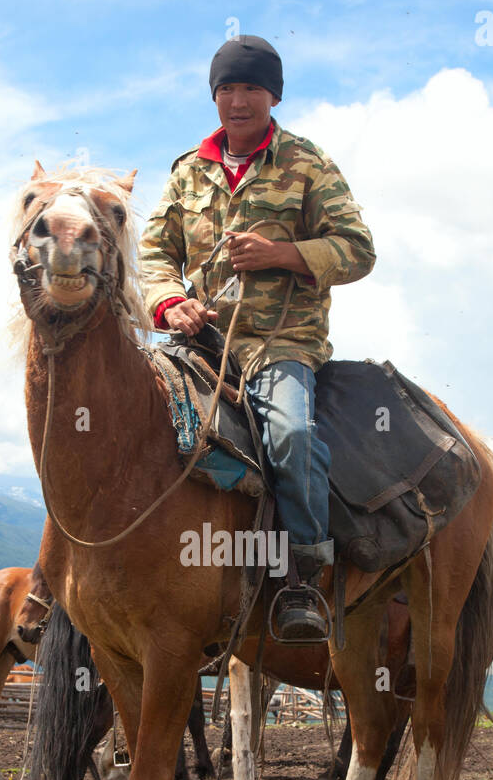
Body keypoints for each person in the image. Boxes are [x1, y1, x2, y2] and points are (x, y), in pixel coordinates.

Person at [140, 35, 376, 640]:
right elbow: (153, 254)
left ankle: (304, 581)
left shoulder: (308, 163)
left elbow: (357, 250)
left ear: (272, 95)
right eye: (226, 89)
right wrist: (170, 304)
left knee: (291, 435)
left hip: (281, 341)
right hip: (200, 343)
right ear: (214, 97)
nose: (237, 100)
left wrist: (284, 253)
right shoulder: (187, 174)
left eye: (250, 88)